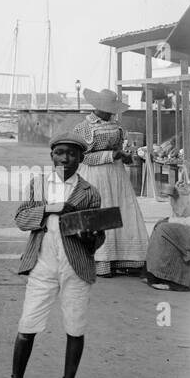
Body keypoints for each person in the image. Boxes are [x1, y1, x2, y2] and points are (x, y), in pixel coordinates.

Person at [0, 134, 105, 378]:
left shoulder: (89, 192)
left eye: (72, 155)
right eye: (60, 153)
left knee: (75, 326)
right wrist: (53, 208)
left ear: (80, 159)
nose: (65, 159)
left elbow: (98, 238)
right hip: (42, 264)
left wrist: (90, 235)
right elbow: (21, 219)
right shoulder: (39, 184)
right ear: (51, 155)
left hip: (76, 266)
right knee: (27, 325)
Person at [72, 88, 148, 276]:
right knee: (102, 211)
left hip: (116, 174)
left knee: (122, 210)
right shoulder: (84, 127)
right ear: (98, 107)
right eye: (108, 109)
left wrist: (124, 156)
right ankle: (100, 261)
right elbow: (82, 156)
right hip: (96, 174)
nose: (111, 113)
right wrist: (111, 155)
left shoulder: (116, 125)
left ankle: (123, 259)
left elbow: (118, 148)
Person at [145, 148, 190, 291]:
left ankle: (168, 277)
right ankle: (155, 273)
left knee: (164, 229)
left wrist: (172, 221)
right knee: (160, 225)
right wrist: (178, 195)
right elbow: (184, 212)